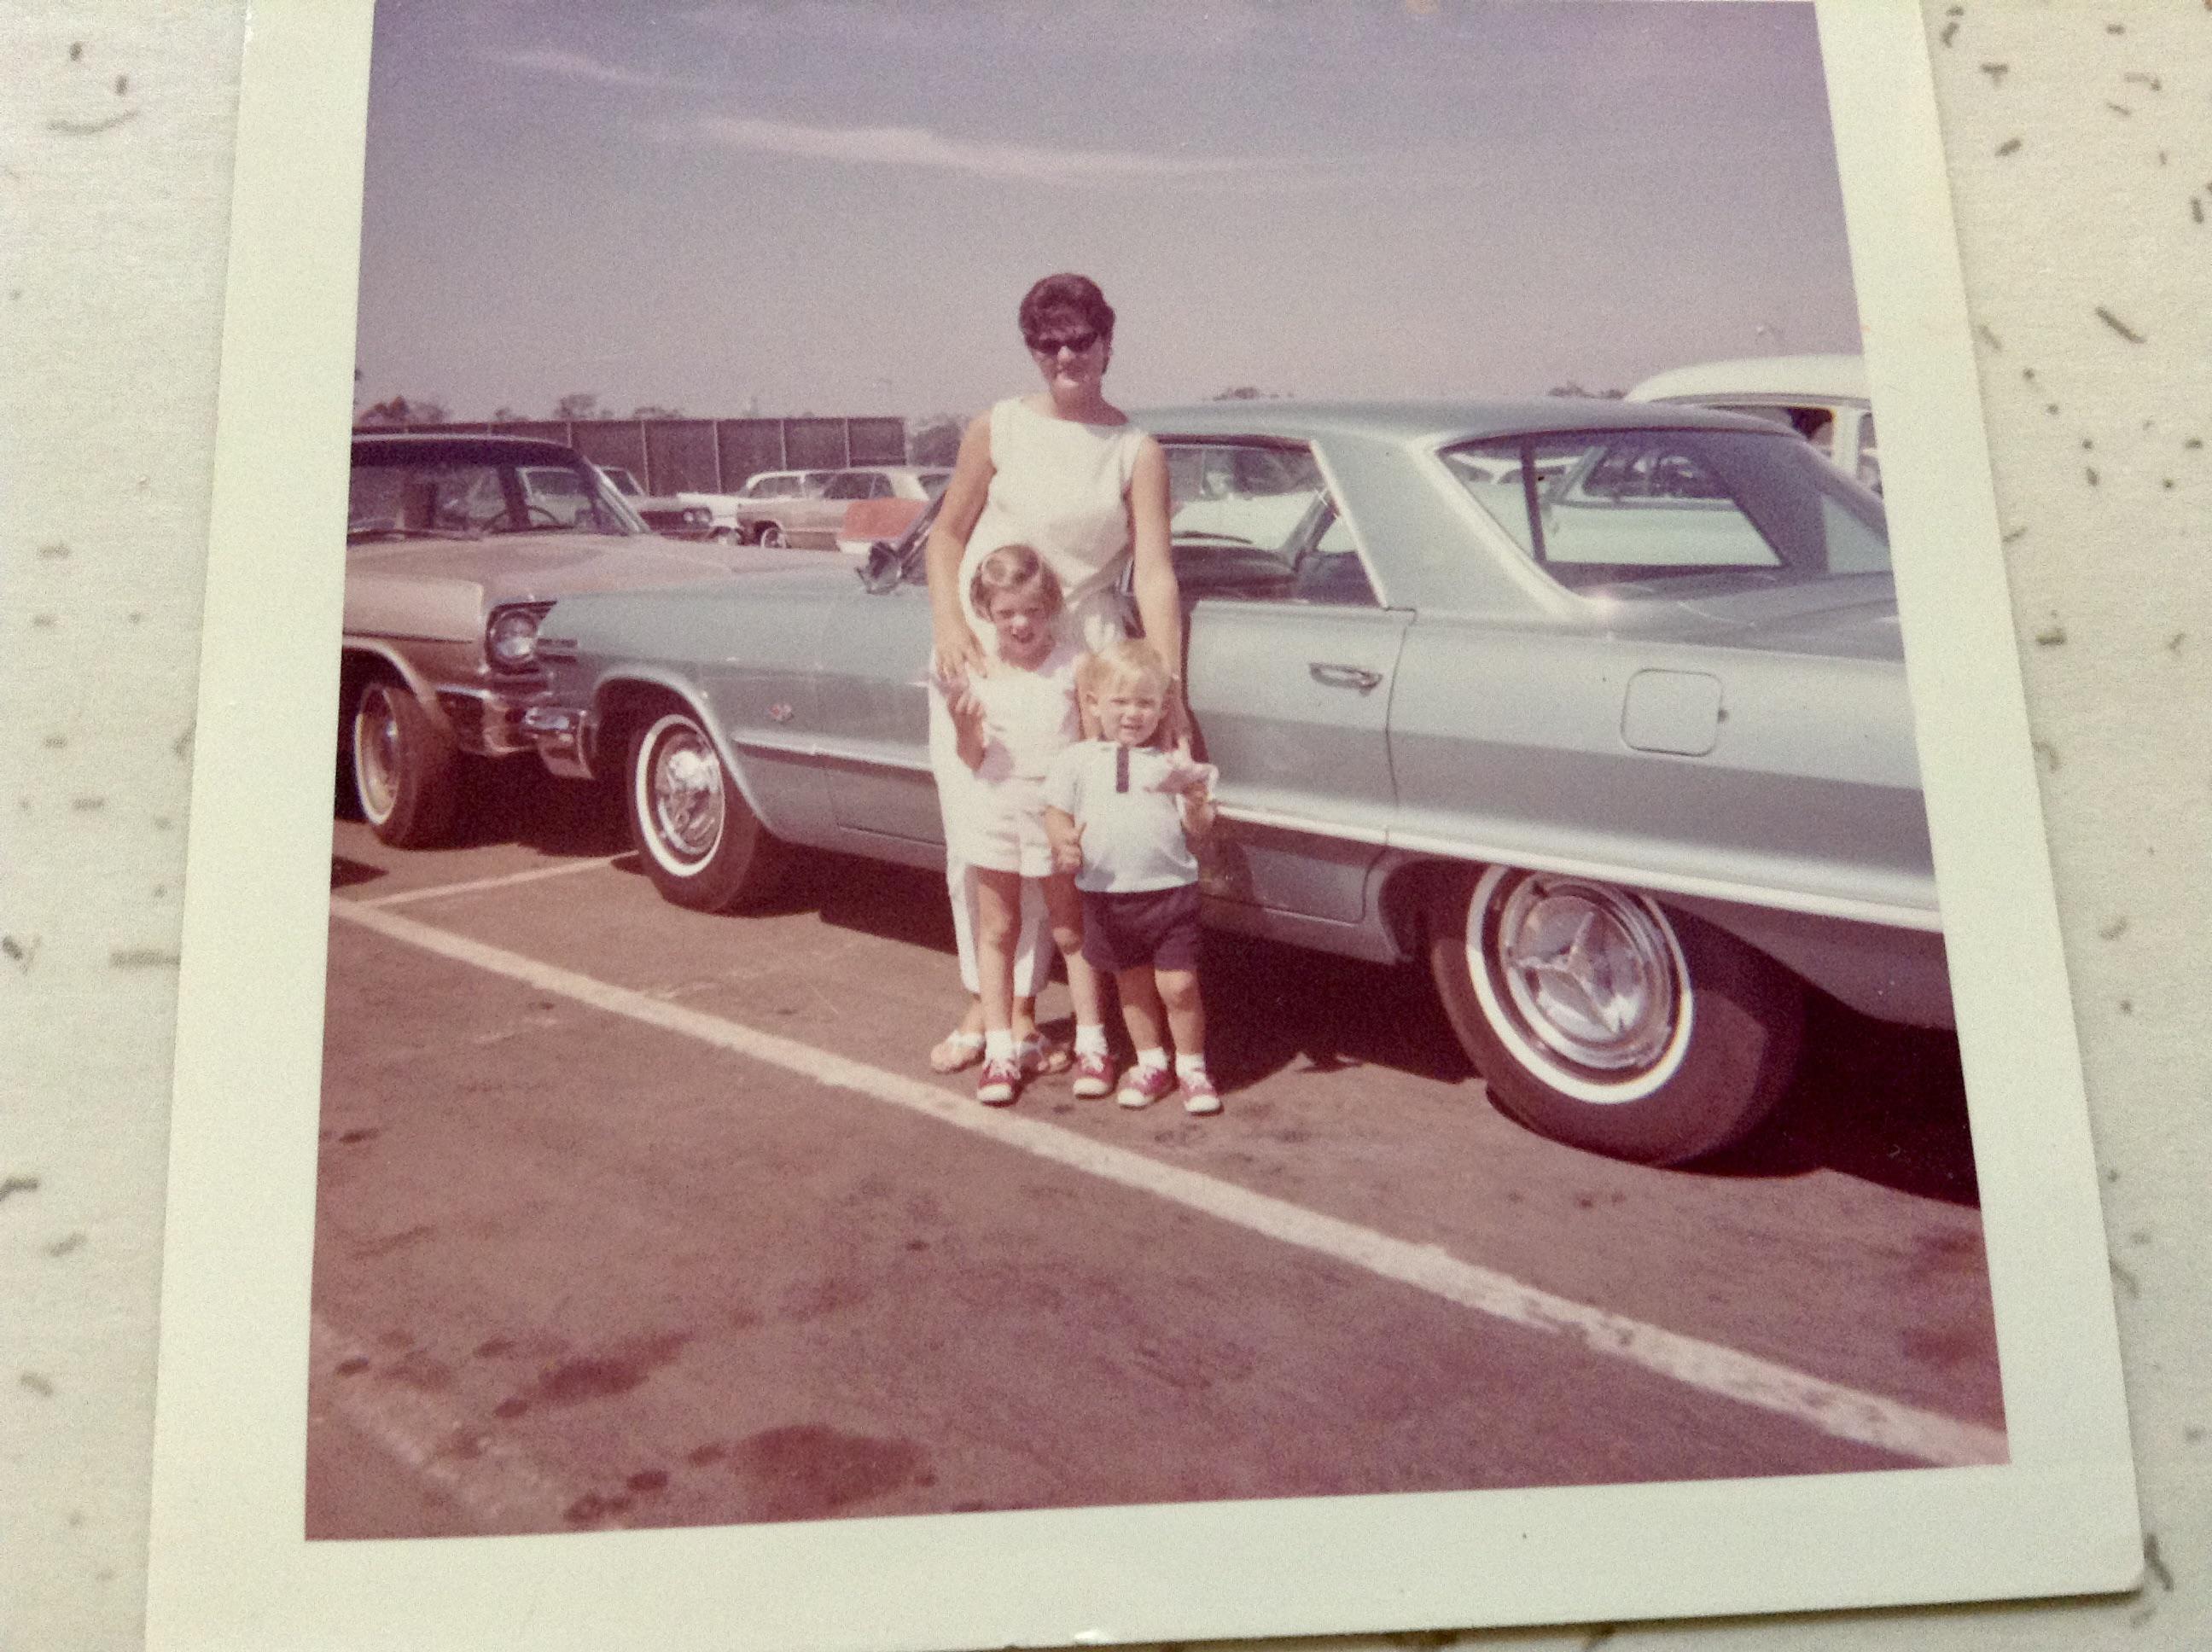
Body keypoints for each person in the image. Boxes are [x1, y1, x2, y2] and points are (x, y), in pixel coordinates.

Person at [923, 273, 1182, 1075]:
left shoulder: (1136, 449)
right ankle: (989, 1002)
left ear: (1107, 342)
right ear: (1033, 350)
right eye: (1047, 344)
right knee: (982, 832)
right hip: (987, 650)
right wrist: (950, 626)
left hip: (1083, 660)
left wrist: (1169, 691)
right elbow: (945, 536)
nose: (1065, 356)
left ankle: (1039, 1014)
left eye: (1080, 340)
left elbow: (1156, 575)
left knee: (1062, 839)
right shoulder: (996, 427)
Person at [936, 547, 1111, 1105]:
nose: (1020, 623)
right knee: (997, 929)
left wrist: (1082, 821)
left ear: (1050, 607)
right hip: (994, 813)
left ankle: (1093, 1044)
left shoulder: (1075, 665)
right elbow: (972, 757)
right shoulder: (976, 670)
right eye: (1007, 612)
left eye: (1032, 611)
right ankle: (1001, 1050)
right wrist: (962, 727)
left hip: (1054, 818)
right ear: (986, 612)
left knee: (1070, 930)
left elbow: (1091, 752)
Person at [1043, 640, 1221, 1115]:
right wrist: (1063, 842)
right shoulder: (1077, 760)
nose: (1132, 713)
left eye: (1145, 703)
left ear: (1163, 708)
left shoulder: (1173, 764)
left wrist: (1198, 802)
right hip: (1107, 896)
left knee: (1179, 987)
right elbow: (1055, 813)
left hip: (1170, 894)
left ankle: (1192, 1068)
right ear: (1093, 703)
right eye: (1119, 701)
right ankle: (1151, 1063)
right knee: (1132, 986)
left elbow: (1199, 828)